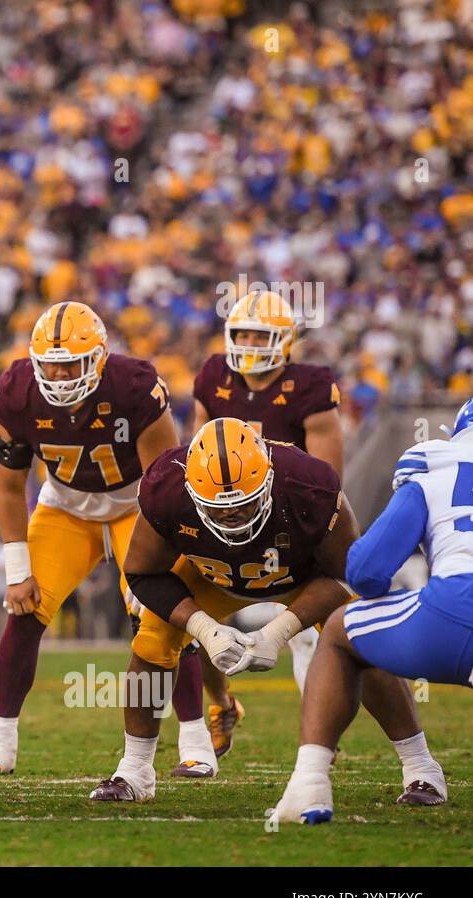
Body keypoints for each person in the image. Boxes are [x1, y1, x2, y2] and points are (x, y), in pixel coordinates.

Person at [92, 418, 445, 804]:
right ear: (191, 491)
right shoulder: (165, 488)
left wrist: (276, 633)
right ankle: (134, 770)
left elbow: (349, 575)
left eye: (243, 505)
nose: (232, 518)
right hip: (210, 576)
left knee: (365, 636)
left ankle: (421, 767)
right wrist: (205, 628)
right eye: (218, 509)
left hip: (299, 579)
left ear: (270, 480)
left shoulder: (310, 486)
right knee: (151, 639)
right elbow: (143, 573)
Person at [0, 301, 177, 775]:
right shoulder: (17, 391)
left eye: (71, 363)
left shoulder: (132, 387)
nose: (60, 374)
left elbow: (164, 480)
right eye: (50, 363)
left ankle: (190, 744)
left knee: (162, 618)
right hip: (66, 507)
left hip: (138, 507)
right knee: (24, 611)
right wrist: (16, 572)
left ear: (99, 359)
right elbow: (9, 486)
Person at [274, 399, 473, 823]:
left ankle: (310, 782)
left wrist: (386, 593)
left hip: (453, 613)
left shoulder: (437, 465)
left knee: (340, 631)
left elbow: (365, 571)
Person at [173, 289, 345, 772]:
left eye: (260, 335)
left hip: (288, 529)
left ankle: (320, 740)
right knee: (195, 624)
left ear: (286, 341)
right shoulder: (214, 377)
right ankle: (221, 703)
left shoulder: (310, 387)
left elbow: (328, 482)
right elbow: (197, 452)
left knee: (319, 632)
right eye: (242, 333)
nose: (249, 343)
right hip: (223, 523)